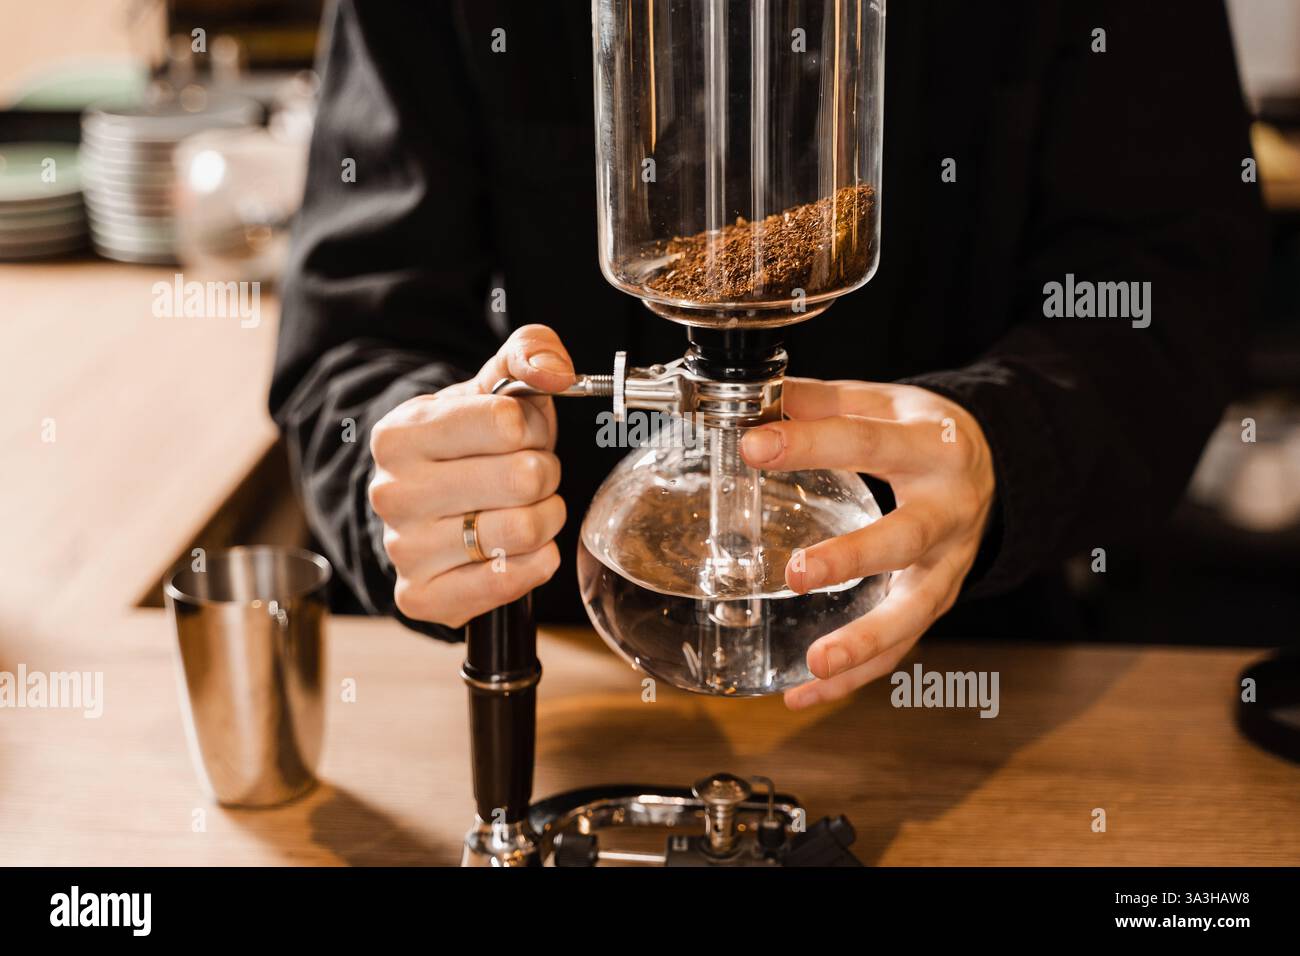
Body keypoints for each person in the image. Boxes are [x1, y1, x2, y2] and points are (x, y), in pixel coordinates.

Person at [271, 1, 1266, 709]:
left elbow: (1174, 280)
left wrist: (1005, 443)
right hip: (567, 675)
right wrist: (427, 476)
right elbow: (356, 335)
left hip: (978, 674)